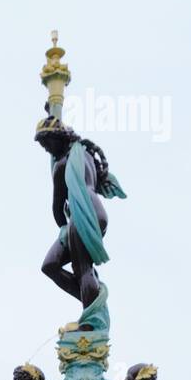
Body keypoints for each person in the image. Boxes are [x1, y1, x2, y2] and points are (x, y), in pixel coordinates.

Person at [35, 113, 125, 323]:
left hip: (82, 213)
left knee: (82, 268)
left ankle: (90, 318)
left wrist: (63, 227)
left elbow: (57, 208)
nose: (47, 149)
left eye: (47, 144)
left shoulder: (63, 165)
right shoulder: (84, 154)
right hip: (96, 211)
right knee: (51, 265)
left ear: (58, 139)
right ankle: (93, 303)